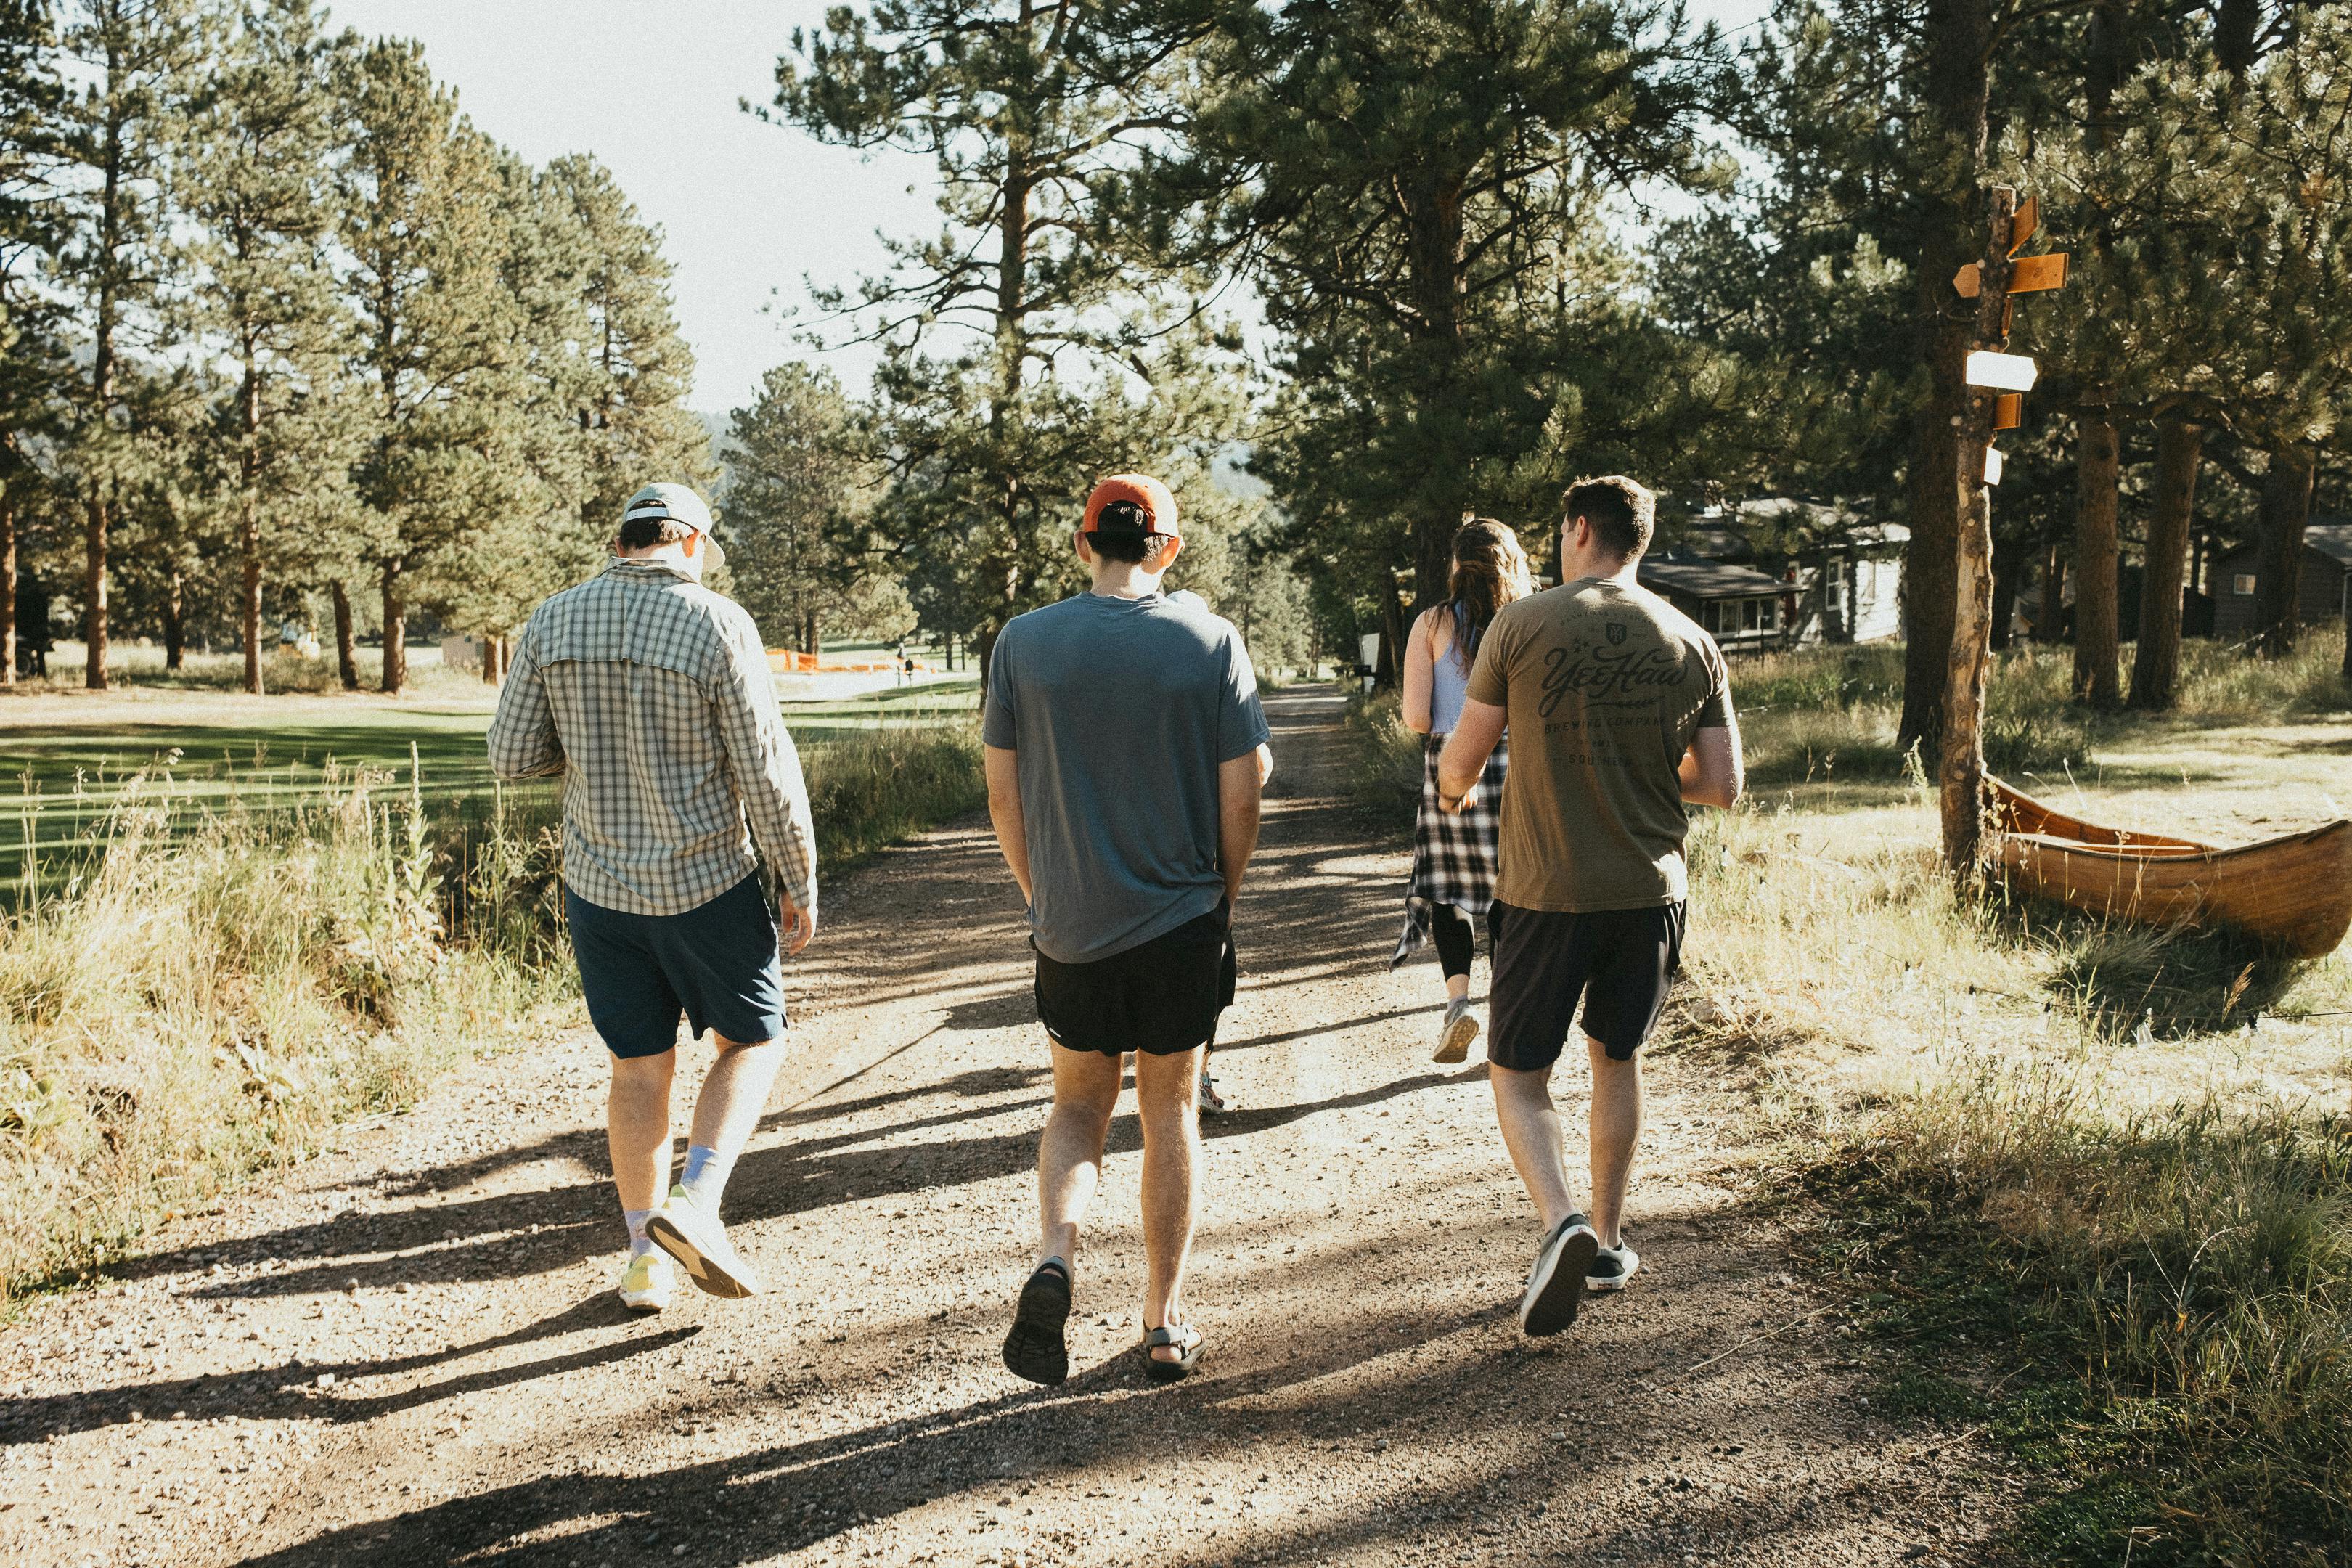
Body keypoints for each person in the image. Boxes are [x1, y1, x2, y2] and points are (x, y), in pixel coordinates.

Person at [488, 483, 818, 1315]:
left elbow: (510, 755)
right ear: (692, 543)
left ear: (624, 539)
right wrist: (799, 880)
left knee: (638, 1067)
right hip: (706, 881)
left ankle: (643, 1261)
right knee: (753, 1041)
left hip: (600, 886)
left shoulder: (553, 618)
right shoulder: (717, 622)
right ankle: (697, 1205)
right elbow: (766, 772)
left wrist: (596, 746)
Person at [1437, 475, 1742, 1336]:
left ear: (1577, 530)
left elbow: (1460, 766)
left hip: (1545, 889)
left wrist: (1468, 783)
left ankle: (1560, 1220)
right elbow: (1721, 785)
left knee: (1520, 1072)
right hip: (1649, 891)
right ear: (1639, 540)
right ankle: (1606, 1242)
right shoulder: (1690, 636)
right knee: (1617, 1057)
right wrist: (1636, 764)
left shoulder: (1523, 622)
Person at [984, 473, 1273, 1385]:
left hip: (1069, 925)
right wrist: (1220, 898)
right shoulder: (1210, 640)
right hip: (1182, 919)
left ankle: (1058, 1257)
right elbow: (1246, 787)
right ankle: (1162, 1318)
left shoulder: (1023, 644)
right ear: (1168, 549)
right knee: (1168, 1107)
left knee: (1077, 1106)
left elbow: (1002, 790)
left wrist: (1044, 894)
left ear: (1082, 546)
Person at [1393, 518, 1534, 1063]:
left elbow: (1415, 716)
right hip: (1522, 767)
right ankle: (1508, 1014)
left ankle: (1458, 1005)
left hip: (1456, 763)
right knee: (1513, 889)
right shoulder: (1528, 621)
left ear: (1456, 566)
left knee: (1449, 887)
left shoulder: (1432, 622)